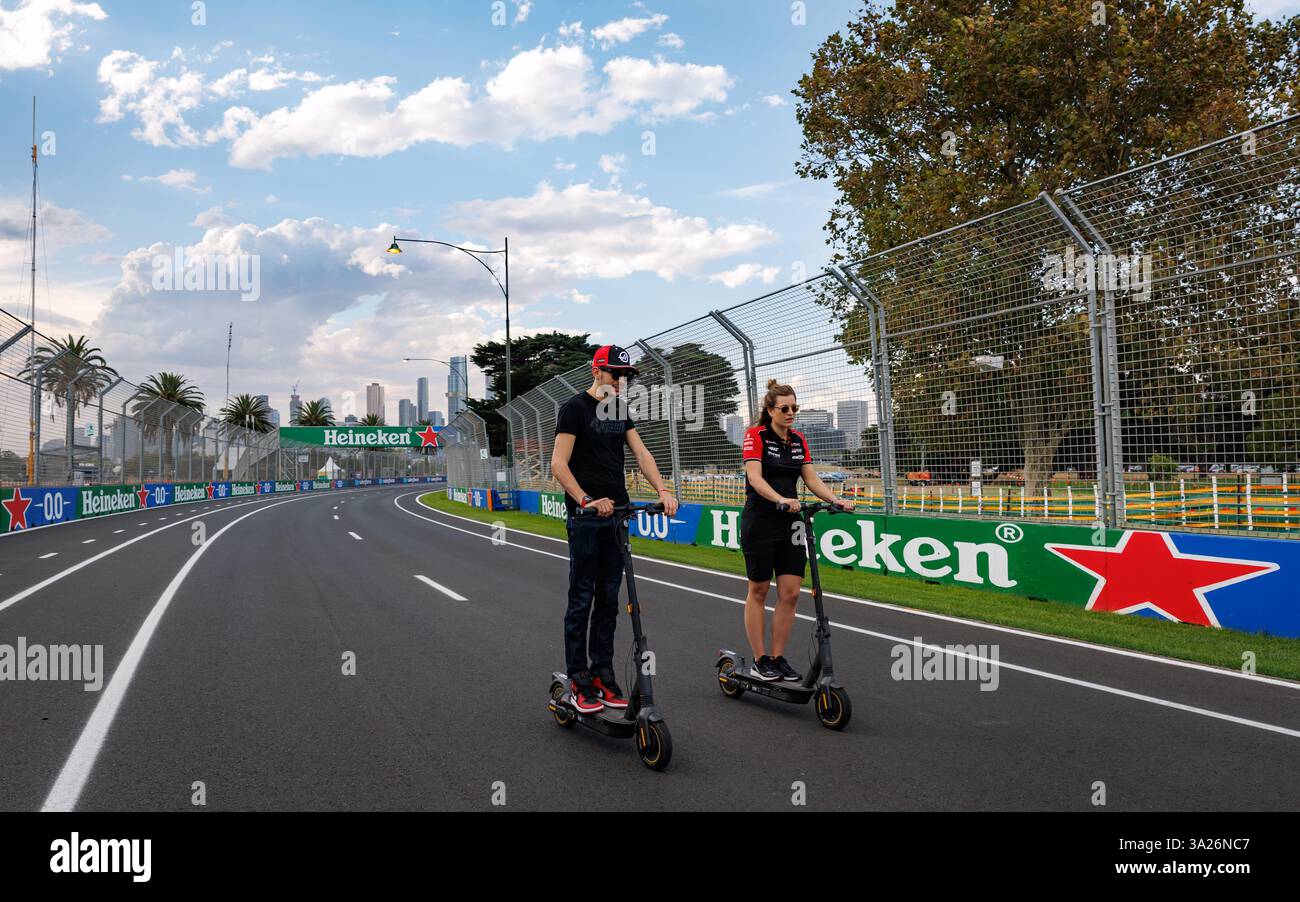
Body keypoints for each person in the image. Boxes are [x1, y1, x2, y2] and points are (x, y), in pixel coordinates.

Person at [551, 345, 679, 714]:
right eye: (614, 374)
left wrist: (663, 490)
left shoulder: (620, 411)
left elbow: (641, 454)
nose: (621, 381)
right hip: (587, 517)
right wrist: (586, 498)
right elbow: (559, 464)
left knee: (609, 600)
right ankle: (578, 678)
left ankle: (603, 674)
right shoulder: (574, 408)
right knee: (582, 598)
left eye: (625, 376)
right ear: (596, 372)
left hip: (617, 515)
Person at [740, 380, 854, 682]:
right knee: (760, 590)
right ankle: (759, 659)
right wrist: (779, 499)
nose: (791, 413)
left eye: (795, 408)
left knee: (790, 593)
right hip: (761, 520)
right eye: (785, 408)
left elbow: (811, 478)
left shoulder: (798, 440)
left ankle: (777, 659)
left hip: (791, 523)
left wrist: (834, 500)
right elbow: (754, 477)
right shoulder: (756, 436)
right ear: (770, 410)